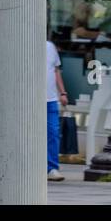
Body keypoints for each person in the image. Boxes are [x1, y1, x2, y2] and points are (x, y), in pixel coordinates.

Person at [47, 36, 68, 182]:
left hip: (50, 99)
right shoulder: (22, 45)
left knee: (53, 133)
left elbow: (56, 71)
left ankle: (52, 168)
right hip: (29, 100)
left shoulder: (50, 46)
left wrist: (62, 92)